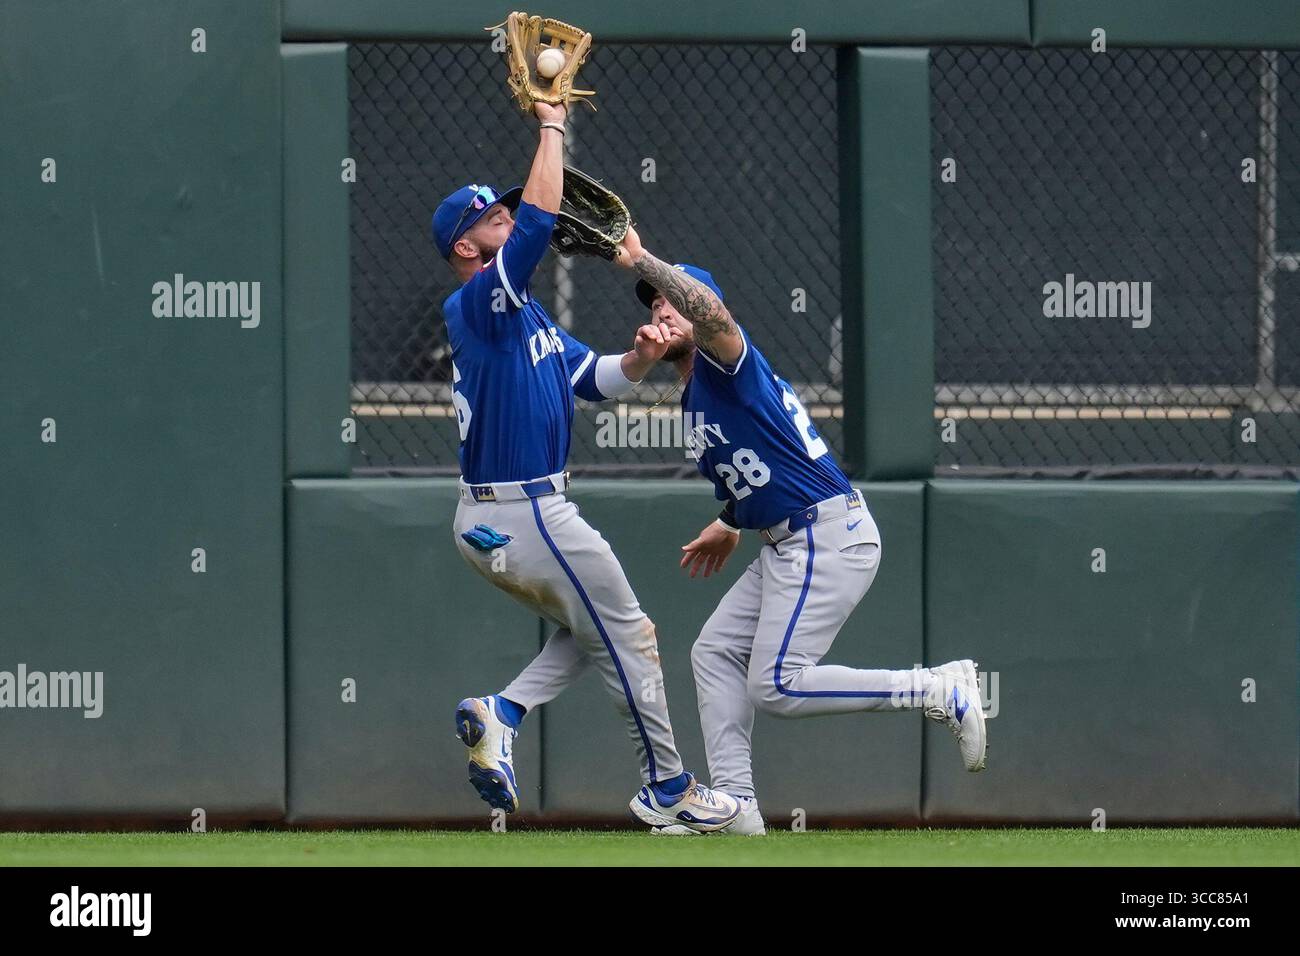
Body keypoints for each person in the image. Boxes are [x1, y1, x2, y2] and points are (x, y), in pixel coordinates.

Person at [612, 226, 988, 835]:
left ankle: (936, 690)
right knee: (714, 652)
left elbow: (713, 314)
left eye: (672, 299)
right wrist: (728, 522)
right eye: (654, 302)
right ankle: (738, 811)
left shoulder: (725, 361)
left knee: (779, 684)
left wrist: (644, 260)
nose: (661, 308)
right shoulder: (696, 395)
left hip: (825, 534)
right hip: (793, 539)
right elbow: (764, 468)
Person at [431, 100, 739, 832]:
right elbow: (539, 222)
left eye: (505, 210)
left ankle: (500, 712)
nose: (507, 217)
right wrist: (550, 122)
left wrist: (644, 356)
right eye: (492, 218)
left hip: (500, 517)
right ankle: (668, 787)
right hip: (524, 509)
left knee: (595, 629)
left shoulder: (524, 314)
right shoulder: (480, 301)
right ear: (467, 248)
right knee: (629, 631)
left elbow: (591, 381)